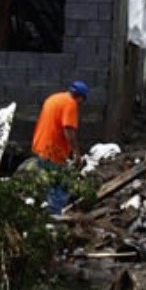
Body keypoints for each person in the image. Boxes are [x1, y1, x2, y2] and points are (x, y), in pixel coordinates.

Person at [31, 80, 88, 213]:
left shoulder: (53, 98)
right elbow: (68, 129)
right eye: (81, 100)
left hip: (40, 147)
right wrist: (76, 153)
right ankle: (53, 220)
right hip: (53, 152)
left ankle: (41, 217)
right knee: (60, 189)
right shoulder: (70, 104)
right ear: (80, 97)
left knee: (47, 186)